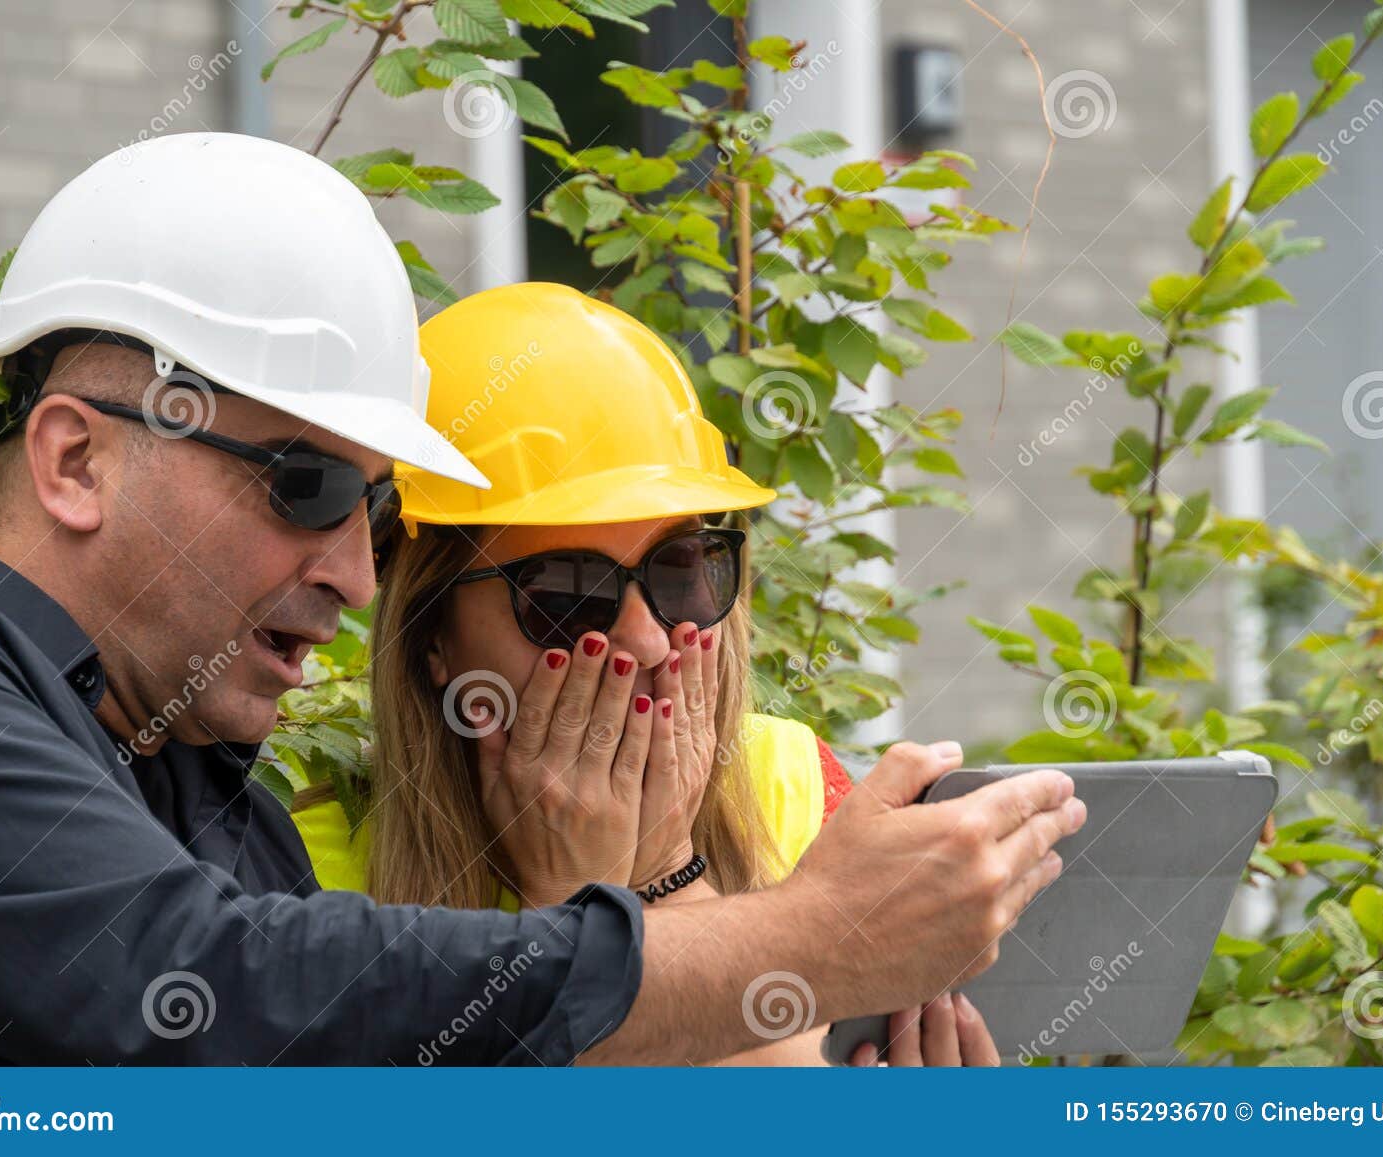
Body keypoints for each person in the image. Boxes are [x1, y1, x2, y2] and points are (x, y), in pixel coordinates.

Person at [0, 133, 1085, 1066]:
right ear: (75, 457)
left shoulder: (217, 809)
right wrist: (810, 938)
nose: (356, 573)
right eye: (307, 486)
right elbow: (206, 982)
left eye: (376, 513)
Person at [293, 283, 1000, 1065]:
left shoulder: (789, 781)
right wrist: (593, 911)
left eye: (680, 571)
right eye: (567, 595)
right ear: (434, 640)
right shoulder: (307, 873)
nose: (648, 639)